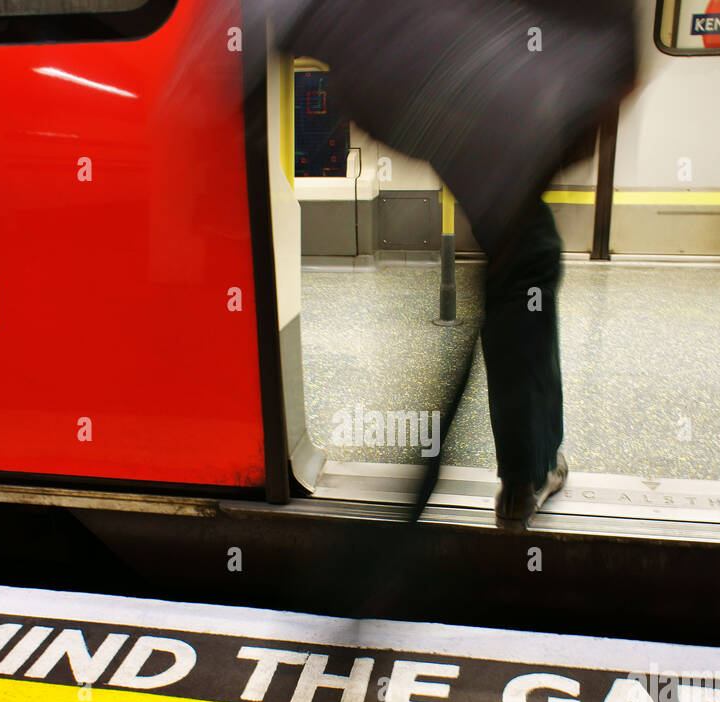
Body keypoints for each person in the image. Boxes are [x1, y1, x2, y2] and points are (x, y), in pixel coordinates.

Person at [260, 0, 637, 527]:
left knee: (520, 266)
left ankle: (527, 470)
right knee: (527, 270)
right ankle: (528, 474)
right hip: (483, 100)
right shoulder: (597, 45)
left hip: (427, 96)